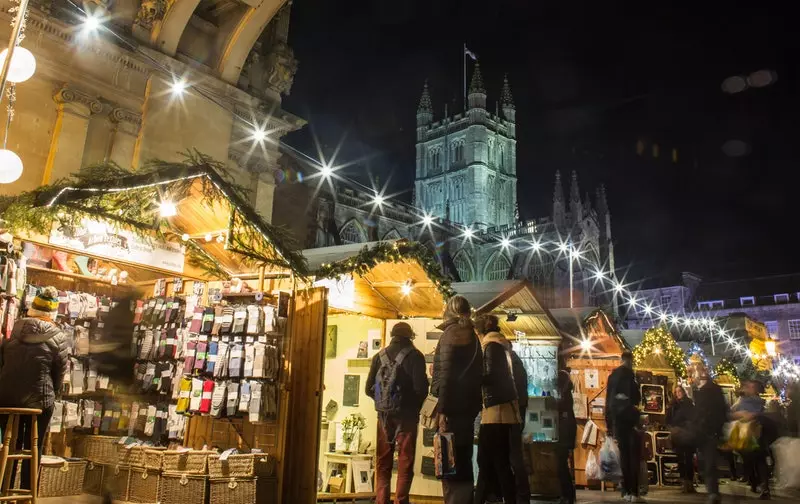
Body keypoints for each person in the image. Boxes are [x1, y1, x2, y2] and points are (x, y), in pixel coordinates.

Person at [0, 287, 68, 491]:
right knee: (34, 445)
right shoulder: (59, 337)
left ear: (32, 309)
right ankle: (27, 490)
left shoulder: (15, 330)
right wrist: (52, 395)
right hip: (39, 401)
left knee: (9, 444)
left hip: (6, 398)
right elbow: (58, 375)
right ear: (53, 314)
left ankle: (4, 486)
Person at [366, 321, 429, 504]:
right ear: (410, 336)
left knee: (383, 463)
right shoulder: (415, 356)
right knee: (405, 462)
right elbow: (421, 389)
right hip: (407, 417)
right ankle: (401, 501)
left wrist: (383, 404)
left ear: (393, 335)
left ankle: (381, 500)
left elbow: (368, 389)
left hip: (383, 417)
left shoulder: (380, 356)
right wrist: (413, 406)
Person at [431, 295, 483, 504]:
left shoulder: (450, 335)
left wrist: (442, 411)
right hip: (468, 408)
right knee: (462, 459)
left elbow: (446, 375)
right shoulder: (473, 336)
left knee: (449, 460)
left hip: (451, 409)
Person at [473, 314, 519, 504]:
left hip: (495, 412)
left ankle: (502, 498)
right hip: (501, 410)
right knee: (493, 462)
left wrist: (472, 376)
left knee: (493, 462)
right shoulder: (501, 346)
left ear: (480, 330)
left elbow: (490, 375)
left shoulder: (491, 346)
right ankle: (488, 497)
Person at [606, 350, 643, 503]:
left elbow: (608, 400)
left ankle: (626, 490)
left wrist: (609, 423)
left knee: (624, 457)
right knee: (633, 457)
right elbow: (636, 397)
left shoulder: (612, 377)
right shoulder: (630, 376)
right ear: (630, 360)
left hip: (617, 421)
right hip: (630, 421)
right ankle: (634, 491)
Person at [689, 362, 728, 504]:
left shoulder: (709, 390)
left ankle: (713, 491)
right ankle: (712, 490)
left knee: (709, 461)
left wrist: (716, 426)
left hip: (709, 430)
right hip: (704, 430)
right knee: (705, 461)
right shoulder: (699, 390)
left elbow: (720, 411)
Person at [731, 379, 770, 499]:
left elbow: (762, 415)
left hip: (756, 433)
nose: (748, 389)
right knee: (750, 460)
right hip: (745, 434)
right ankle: (755, 482)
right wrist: (740, 414)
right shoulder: (742, 400)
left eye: (751, 387)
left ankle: (763, 487)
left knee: (758, 459)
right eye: (748, 387)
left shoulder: (759, 401)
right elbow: (732, 413)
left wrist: (752, 415)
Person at [510, 337, 530, 504]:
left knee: (514, 456)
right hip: (517, 413)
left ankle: (520, 495)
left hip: (512, 414)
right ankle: (521, 495)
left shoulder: (512, 366)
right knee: (514, 455)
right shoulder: (518, 365)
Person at [667, 385, 696, 493]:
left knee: (688, 459)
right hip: (677, 435)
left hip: (688, 435)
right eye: (676, 391)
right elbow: (668, 420)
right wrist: (672, 429)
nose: (678, 393)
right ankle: (684, 482)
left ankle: (690, 483)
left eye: (680, 391)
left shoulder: (689, 404)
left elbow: (693, 418)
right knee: (680, 459)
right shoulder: (673, 406)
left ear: (683, 392)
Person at [556, 370, 577, 504]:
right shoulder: (567, 393)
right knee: (562, 465)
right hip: (566, 433)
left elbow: (561, 407)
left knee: (561, 465)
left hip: (564, 434)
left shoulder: (564, 396)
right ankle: (567, 495)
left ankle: (567, 495)